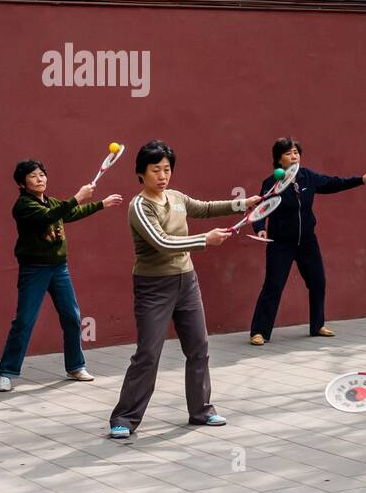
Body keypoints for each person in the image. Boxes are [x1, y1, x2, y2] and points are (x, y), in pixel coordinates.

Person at [108, 140, 257, 439]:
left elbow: (203, 209)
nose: (162, 176)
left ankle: (201, 410)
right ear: (140, 173)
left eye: (167, 169)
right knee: (148, 353)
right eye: (155, 170)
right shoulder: (139, 206)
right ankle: (124, 417)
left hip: (187, 282)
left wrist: (243, 204)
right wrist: (205, 240)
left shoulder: (175, 197)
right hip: (153, 287)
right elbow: (162, 242)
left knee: (199, 348)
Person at [0, 160, 123, 391]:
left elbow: (70, 213)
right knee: (24, 321)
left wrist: (100, 204)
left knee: (72, 317)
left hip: (59, 268)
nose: (40, 179)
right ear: (22, 183)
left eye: (42, 174)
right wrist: (78, 196)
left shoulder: (52, 201)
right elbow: (50, 215)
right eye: (33, 176)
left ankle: (75, 366)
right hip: (34, 270)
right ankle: (7, 372)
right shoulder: (23, 206)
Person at [248, 137, 366, 344]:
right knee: (273, 285)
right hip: (281, 243)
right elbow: (261, 209)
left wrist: (359, 180)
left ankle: (317, 325)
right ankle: (259, 332)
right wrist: (260, 229)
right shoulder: (271, 183)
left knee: (318, 281)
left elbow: (333, 183)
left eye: (296, 152)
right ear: (279, 159)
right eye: (289, 153)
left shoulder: (307, 177)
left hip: (307, 241)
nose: (294, 156)